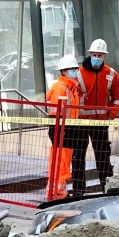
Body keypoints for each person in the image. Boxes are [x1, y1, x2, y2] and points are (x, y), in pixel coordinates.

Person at [77, 38, 119, 193]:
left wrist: (110, 115)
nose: (97, 58)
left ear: (105, 57)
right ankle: (79, 191)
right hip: (81, 123)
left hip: (101, 123)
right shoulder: (78, 74)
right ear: (90, 54)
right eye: (95, 54)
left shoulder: (111, 74)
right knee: (78, 158)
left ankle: (108, 189)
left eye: (100, 55)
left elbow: (118, 96)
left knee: (103, 158)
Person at [45, 54, 85, 199]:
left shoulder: (71, 88)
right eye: (71, 69)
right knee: (60, 164)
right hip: (61, 130)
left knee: (64, 163)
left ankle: (59, 192)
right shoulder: (60, 88)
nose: (74, 71)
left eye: (75, 68)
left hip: (68, 130)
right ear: (63, 71)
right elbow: (55, 114)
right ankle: (57, 193)